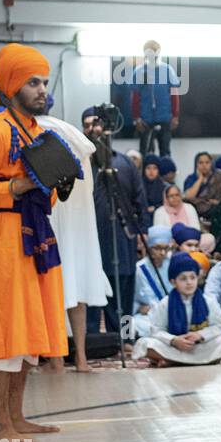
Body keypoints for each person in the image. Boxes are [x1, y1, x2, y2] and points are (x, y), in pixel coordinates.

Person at [0, 44, 68, 442]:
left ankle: (18, 417)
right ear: (11, 87)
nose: (42, 89)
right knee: (6, 328)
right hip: (3, 238)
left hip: (38, 234)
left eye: (43, 82)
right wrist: (17, 185)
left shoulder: (42, 134)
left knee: (27, 330)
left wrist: (54, 185)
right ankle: (0, 423)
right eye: (32, 82)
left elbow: (48, 193)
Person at [37, 109, 112, 372]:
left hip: (54, 216)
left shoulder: (36, 131)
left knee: (54, 288)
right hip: (81, 220)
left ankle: (57, 359)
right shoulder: (73, 134)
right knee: (75, 286)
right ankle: (80, 358)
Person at [83, 108, 148, 335]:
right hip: (90, 241)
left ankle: (126, 337)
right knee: (90, 291)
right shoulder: (79, 163)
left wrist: (142, 232)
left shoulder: (125, 163)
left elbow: (139, 199)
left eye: (98, 123)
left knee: (124, 293)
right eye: (88, 124)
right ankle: (91, 341)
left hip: (122, 238)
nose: (94, 129)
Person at [132, 252, 221, 366]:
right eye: (183, 279)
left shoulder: (208, 301)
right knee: (145, 343)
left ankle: (171, 361)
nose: (189, 282)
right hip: (175, 347)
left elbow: (220, 327)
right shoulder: (166, 303)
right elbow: (156, 330)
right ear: (173, 282)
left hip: (199, 346)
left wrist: (200, 335)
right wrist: (174, 340)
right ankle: (191, 360)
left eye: (192, 277)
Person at [130, 39, 180, 157]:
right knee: (145, 152)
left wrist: (175, 115)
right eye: (148, 50)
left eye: (154, 50)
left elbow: (174, 93)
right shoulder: (139, 71)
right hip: (145, 119)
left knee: (165, 151)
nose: (151, 53)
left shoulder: (167, 70)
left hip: (164, 117)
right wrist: (136, 117)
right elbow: (135, 96)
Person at [133, 226, 173, 339]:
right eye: (157, 248)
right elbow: (129, 298)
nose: (162, 252)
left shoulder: (172, 265)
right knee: (128, 323)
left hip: (171, 313)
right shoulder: (139, 269)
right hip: (147, 316)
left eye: (166, 248)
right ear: (148, 247)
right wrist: (138, 307)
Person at [182, 151, 221, 219]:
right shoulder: (191, 178)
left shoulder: (219, 176)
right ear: (196, 164)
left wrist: (218, 202)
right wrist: (200, 179)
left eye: (207, 162)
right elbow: (189, 197)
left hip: (215, 210)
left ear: (211, 164)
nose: (204, 165)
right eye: (201, 163)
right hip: (195, 211)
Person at [141, 154, 166, 220]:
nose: (151, 171)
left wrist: (155, 208)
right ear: (144, 169)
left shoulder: (163, 187)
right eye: (148, 168)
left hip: (159, 217)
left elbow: (166, 204)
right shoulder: (138, 185)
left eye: (155, 168)